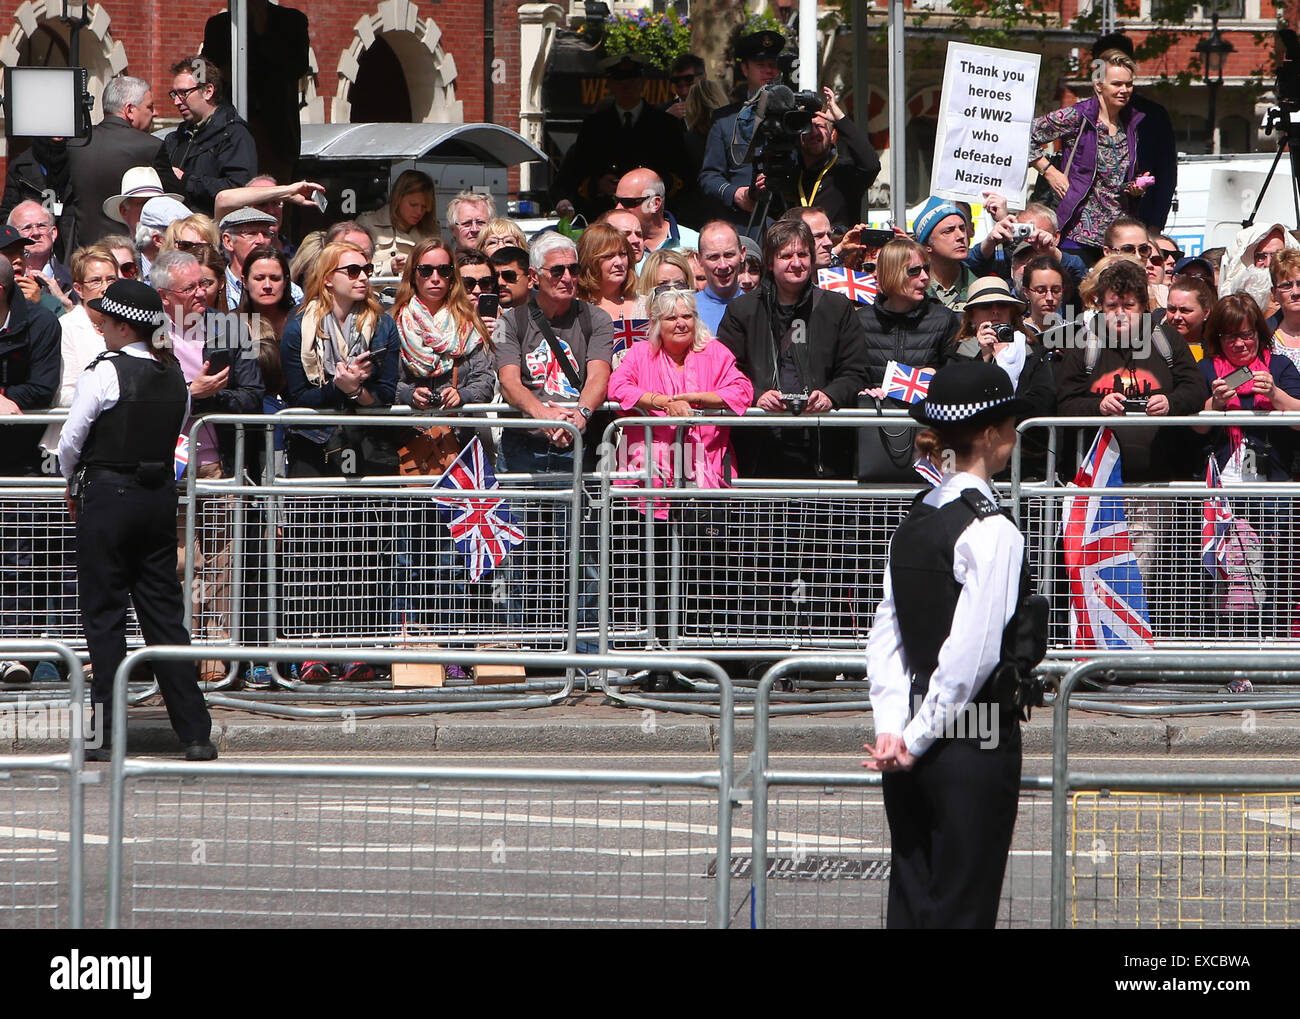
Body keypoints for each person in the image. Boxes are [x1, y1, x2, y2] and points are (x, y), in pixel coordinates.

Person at [864, 360, 1031, 928]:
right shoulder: (992, 529)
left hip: (910, 737)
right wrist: (914, 737)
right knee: (962, 908)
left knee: (913, 902)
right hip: (970, 743)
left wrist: (893, 727)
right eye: (1010, 425)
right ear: (988, 434)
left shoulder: (916, 517)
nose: (1013, 436)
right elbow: (972, 656)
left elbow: (887, 634)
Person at [56, 279, 216, 761]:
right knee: (164, 615)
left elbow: (70, 440)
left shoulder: (103, 372)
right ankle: (195, 732)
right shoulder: (174, 378)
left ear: (125, 325)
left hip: (107, 496)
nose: (100, 326)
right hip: (156, 500)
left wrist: (71, 483)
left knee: (105, 616)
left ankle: (104, 735)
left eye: (106, 319)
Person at [607, 286, 753, 679]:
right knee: (651, 570)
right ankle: (656, 659)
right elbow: (618, 388)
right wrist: (660, 401)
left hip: (704, 476)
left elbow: (742, 390)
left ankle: (699, 659)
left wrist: (701, 398)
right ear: (657, 323)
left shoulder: (716, 353)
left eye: (687, 315)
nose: (681, 323)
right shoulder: (640, 354)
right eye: (671, 317)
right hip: (652, 481)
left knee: (701, 568)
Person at [492, 231, 613, 653]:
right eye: (557, 270)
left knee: (585, 554)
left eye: (574, 269)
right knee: (519, 553)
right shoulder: (513, 319)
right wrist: (541, 413)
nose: (567, 278)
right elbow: (509, 382)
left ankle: (588, 656)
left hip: (576, 449)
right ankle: (522, 652)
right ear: (533, 275)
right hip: (525, 447)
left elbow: (599, 374)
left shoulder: (595, 318)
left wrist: (579, 415)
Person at [716, 216, 869, 478]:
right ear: (770, 261)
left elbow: (856, 371)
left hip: (823, 447)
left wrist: (830, 395)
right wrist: (756, 395)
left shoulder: (837, 308)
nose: (796, 263)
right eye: (786, 255)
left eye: (802, 254)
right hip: (760, 444)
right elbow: (726, 371)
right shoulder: (742, 311)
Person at [1193, 293, 1300, 636]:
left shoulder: (1280, 366)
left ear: (1259, 332)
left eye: (1247, 334)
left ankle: (1272, 644)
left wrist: (1276, 397)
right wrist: (1215, 403)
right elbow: (1195, 425)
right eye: (1230, 336)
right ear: (1217, 338)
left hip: (1270, 485)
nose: (1240, 343)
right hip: (1221, 488)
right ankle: (1230, 648)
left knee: (1272, 566)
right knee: (1228, 570)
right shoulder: (1206, 369)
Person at [281, 241, 401, 475]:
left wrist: (355, 391)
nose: (363, 278)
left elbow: (387, 393)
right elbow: (298, 396)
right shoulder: (298, 325)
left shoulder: (383, 324)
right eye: (352, 272)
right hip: (314, 442)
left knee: (370, 512)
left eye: (367, 270)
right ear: (327, 278)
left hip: (370, 443)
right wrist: (341, 388)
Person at [1030, 50, 1151, 265]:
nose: (1124, 90)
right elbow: (1024, 135)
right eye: (1117, 84)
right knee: (1080, 294)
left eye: (1129, 84)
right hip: (1078, 235)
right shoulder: (1078, 116)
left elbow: (1117, 177)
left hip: (1118, 237)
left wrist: (1135, 187)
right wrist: (1049, 171)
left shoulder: (1132, 123)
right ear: (1098, 86)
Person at [551, 54, 690, 222]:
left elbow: (683, 177)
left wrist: (650, 185)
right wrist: (597, 185)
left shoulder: (664, 124)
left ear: (642, 82)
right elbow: (575, 173)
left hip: (650, 215)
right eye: (620, 82)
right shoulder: (594, 126)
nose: (626, 87)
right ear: (610, 84)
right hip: (605, 215)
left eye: (632, 82)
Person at [202, 0, 310, 185]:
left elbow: (297, 67)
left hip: (276, 130)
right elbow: (208, 70)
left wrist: (261, 28)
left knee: (274, 196)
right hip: (229, 125)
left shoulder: (292, 21)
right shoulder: (219, 25)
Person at [698, 30, 785, 234]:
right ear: (745, 69)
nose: (768, 71)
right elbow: (709, 176)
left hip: (785, 225)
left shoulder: (794, 118)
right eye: (760, 65)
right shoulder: (725, 120)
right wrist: (735, 194)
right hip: (744, 226)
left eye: (773, 65)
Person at [1090, 32, 1178, 232]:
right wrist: (1050, 172)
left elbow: (1166, 173)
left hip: (1138, 223)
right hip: (1088, 229)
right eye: (1105, 62)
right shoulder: (1081, 115)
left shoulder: (1152, 115)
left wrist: (1155, 225)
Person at [66, 76, 164, 247]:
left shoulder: (75, 145)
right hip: (133, 253)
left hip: (85, 253)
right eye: (149, 107)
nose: (155, 112)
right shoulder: (151, 146)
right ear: (130, 110)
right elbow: (171, 203)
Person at [155, 56, 257, 216]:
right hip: (177, 231)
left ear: (208, 91)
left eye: (183, 93)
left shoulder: (234, 135)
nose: (176, 102)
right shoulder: (175, 139)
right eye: (174, 94)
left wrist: (188, 181)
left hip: (214, 232)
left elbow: (240, 190)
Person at [857, 237, 958, 390]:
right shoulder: (860, 321)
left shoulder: (944, 319)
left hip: (925, 410)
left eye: (926, 269)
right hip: (875, 410)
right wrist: (865, 390)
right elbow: (849, 374)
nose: (924, 277)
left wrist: (936, 375)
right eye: (914, 271)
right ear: (891, 273)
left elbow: (957, 373)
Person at [777, 86, 880, 227]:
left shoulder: (845, 172)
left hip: (838, 247)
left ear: (833, 135)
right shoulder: (791, 174)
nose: (813, 133)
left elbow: (871, 165)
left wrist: (840, 119)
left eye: (820, 126)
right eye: (807, 127)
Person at [966, 196, 1087, 288]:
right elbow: (969, 264)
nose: (1032, 239)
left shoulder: (1065, 272)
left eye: (1040, 233)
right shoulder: (1008, 263)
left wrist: (1051, 252)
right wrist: (990, 241)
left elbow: (1082, 276)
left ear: (1056, 237)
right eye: (1024, 231)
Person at [357, 170, 440, 278]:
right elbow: (353, 271)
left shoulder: (431, 231)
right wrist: (389, 267)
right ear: (398, 198)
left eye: (424, 207)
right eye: (413, 204)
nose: (419, 212)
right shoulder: (368, 224)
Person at [1, 137, 75, 259]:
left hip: (72, 247)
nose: (57, 134)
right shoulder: (20, 166)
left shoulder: (81, 162)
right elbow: (7, 215)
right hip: (32, 251)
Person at [220, 207, 305, 309]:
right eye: (251, 233)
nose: (261, 241)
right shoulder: (216, 289)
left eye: (265, 234)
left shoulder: (292, 292)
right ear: (228, 241)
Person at [615, 167, 701, 266]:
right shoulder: (609, 244)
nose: (618, 208)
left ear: (654, 204)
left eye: (628, 202)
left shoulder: (694, 243)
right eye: (616, 200)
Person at [913, 197, 975, 312]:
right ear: (927, 244)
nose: (961, 236)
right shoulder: (912, 292)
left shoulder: (978, 289)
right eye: (948, 231)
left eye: (962, 228)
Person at [577, 222, 647, 323]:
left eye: (623, 254)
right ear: (589, 261)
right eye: (609, 256)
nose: (619, 262)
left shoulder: (647, 307)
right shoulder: (575, 309)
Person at [102, 167, 184, 243]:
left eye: (159, 204)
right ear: (124, 210)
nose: (154, 211)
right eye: (144, 204)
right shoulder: (120, 256)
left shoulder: (180, 251)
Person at [8, 200, 73, 294]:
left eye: (41, 226)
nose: (36, 233)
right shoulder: (4, 278)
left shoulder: (72, 278)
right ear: (12, 236)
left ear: (53, 233)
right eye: (26, 228)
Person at [694, 220, 744, 333]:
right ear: (699, 259)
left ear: (743, 254)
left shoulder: (760, 308)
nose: (723, 265)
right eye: (713, 257)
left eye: (729, 255)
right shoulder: (687, 311)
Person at [1165, 275, 1215, 362]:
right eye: (1172, 309)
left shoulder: (1217, 351)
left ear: (1206, 312)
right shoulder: (1153, 345)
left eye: (1185, 310)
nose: (1177, 317)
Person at [1020, 255, 1071, 339]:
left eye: (1056, 290)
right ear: (1026, 292)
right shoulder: (1017, 334)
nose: (1049, 298)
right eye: (1041, 291)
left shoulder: (1071, 333)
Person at [490, 245, 531, 312]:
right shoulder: (477, 315)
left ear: (530, 280)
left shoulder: (547, 314)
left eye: (509, 276)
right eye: (494, 277)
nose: (500, 282)